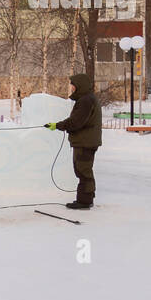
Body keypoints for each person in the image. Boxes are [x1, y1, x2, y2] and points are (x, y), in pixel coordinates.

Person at [45, 72, 102, 209]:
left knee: (83, 171)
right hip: (86, 141)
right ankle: (87, 198)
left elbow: (76, 122)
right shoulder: (87, 99)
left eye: (73, 86)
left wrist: (58, 125)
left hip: (85, 142)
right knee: (83, 170)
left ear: (79, 86)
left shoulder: (86, 101)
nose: (71, 88)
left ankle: (84, 201)